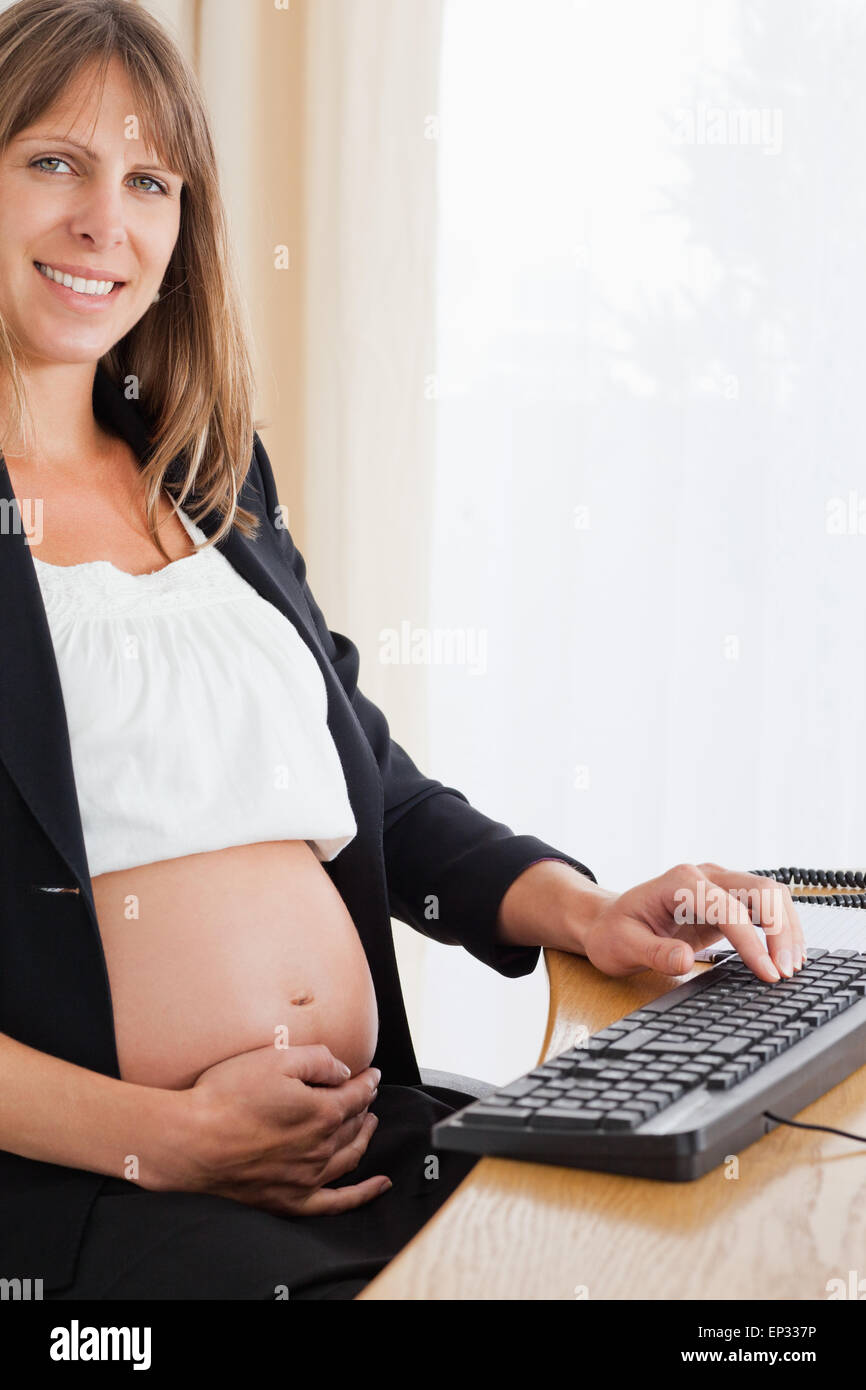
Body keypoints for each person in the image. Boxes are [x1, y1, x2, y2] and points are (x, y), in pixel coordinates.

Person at [0, 0, 805, 1301]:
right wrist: (166, 1139)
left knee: (694, 1254)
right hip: (107, 1203)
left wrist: (585, 908)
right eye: (53, 161)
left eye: (149, 179)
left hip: (362, 1142)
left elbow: (371, 788)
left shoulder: (211, 478)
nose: (106, 220)